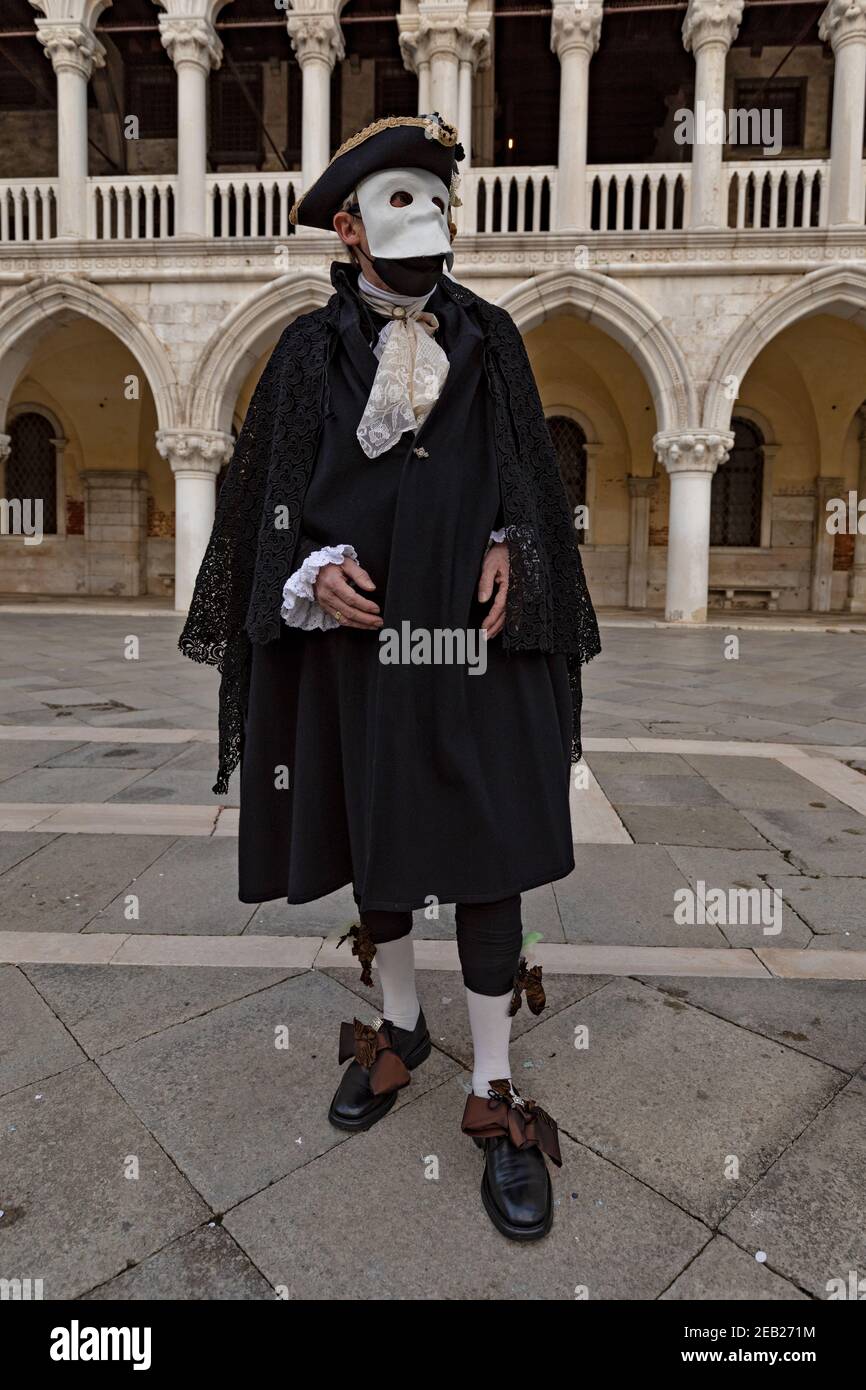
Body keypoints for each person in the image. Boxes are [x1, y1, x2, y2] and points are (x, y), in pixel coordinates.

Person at [179, 113, 600, 1241]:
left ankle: (494, 1086)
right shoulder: (306, 352)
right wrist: (306, 575)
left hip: (471, 643)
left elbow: (526, 466)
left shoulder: (493, 335)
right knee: (378, 839)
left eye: (437, 203)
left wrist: (513, 531)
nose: (426, 225)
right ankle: (402, 1026)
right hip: (360, 653)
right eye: (398, 205)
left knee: (491, 848)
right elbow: (265, 500)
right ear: (351, 228)